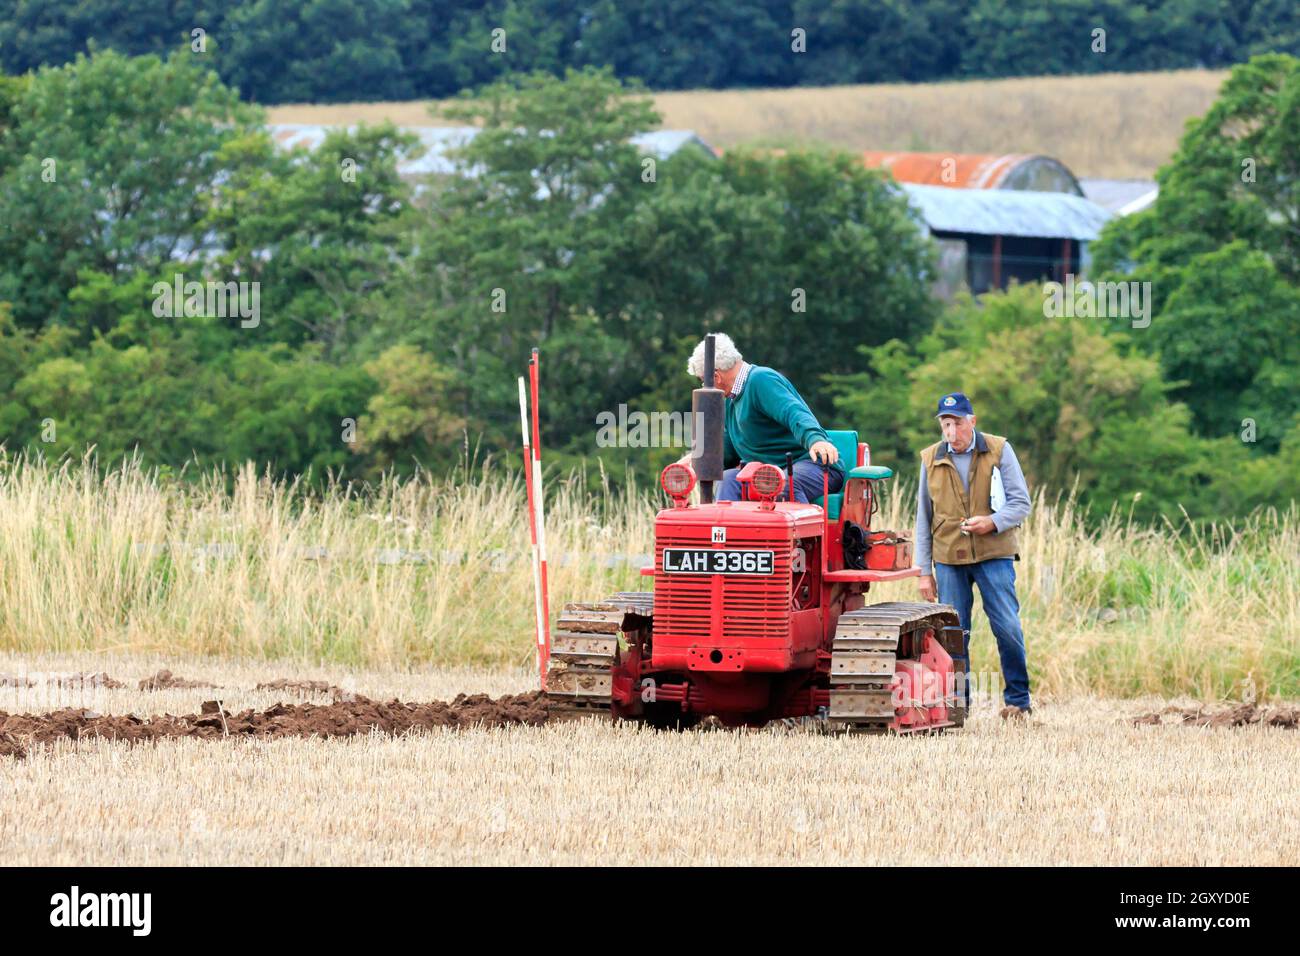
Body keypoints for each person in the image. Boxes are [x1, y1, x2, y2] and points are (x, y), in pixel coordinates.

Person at [914, 392, 1033, 719]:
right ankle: (956, 707)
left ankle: (1018, 702)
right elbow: (922, 518)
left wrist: (992, 522)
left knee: (1007, 627)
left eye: (957, 423)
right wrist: (924, 571)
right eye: (945, 424)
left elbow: (1021, 503)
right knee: (954, 636)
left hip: (995, 553)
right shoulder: (930, 459)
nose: (951, 431)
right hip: (949, 558)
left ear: (973, 422)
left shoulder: (998, 449)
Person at [684, 333, 844, 503]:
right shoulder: (731, 401)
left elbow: (793, 412)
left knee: (782, 484)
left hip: (811, 465)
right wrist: (694, 463)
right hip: (765, 474)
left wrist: (815, 439)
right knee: (728, 480)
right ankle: (725, 528)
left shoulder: (761, 380)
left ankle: (799, 530)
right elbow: (727, 449)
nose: (703, 387)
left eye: (703, 381)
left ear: (716, 377)